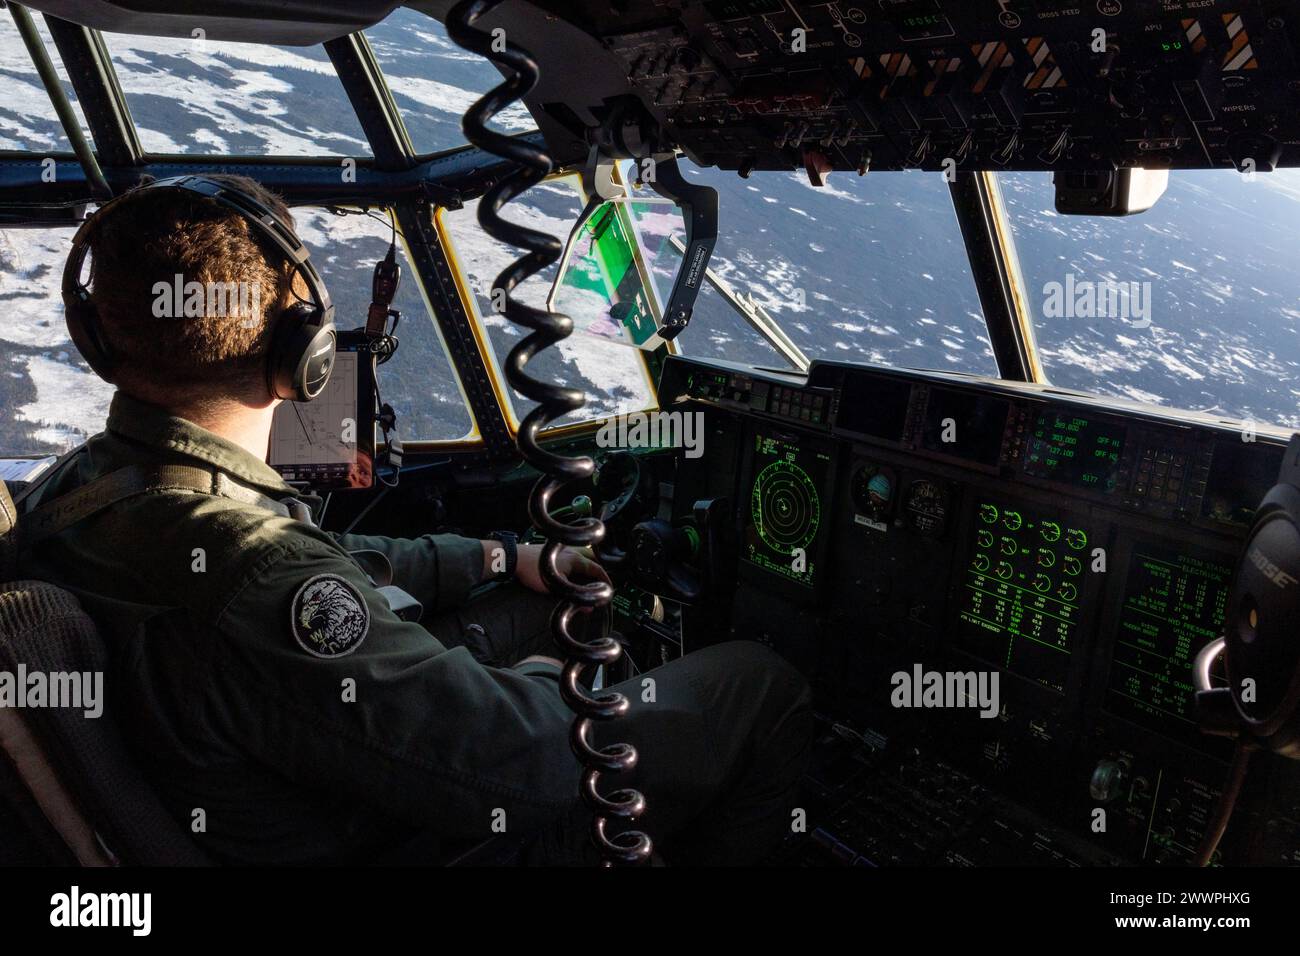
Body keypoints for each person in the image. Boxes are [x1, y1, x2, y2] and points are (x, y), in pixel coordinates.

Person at [21, 174, 812, 865]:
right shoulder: (251, 571)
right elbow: (535, 763)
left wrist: (501, 558)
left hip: (255, 781)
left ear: (98, 337)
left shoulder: (85, 484)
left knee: (542, 609)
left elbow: (298, 566)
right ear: (306, 349)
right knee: (757, 685)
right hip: (399, 839)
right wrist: (535, 692)